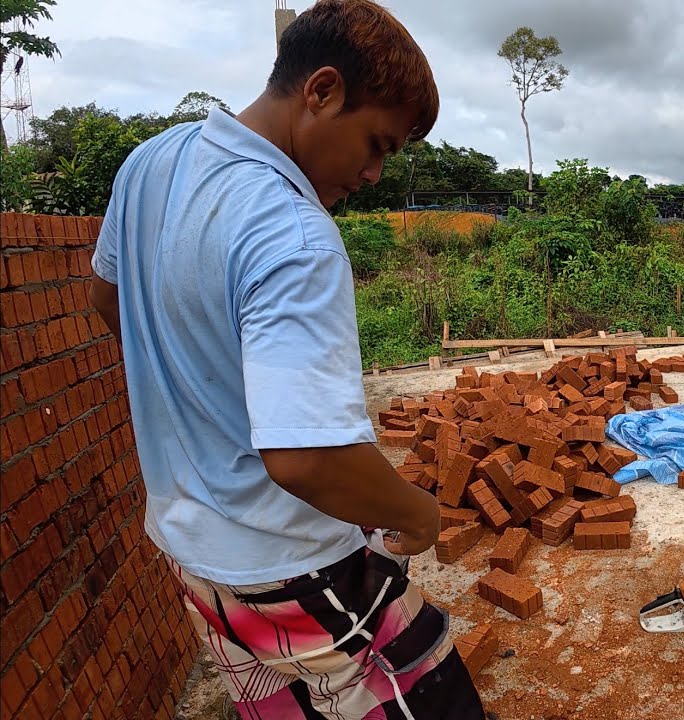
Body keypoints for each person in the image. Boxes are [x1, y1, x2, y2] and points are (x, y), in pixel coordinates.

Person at [88, 1, 485, 717]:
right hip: (292, 564)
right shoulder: (293, 232)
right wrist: (418, 514)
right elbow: (308, 459)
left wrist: (199, 385)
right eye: (377, 144)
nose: (372, 174)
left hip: (193, 556)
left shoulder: (151, 164)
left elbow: (109, 300)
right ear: (322, 90)